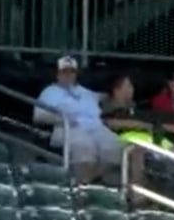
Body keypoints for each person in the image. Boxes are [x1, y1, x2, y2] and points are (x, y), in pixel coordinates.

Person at [34, 56, 127, 184]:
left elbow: (104, 101)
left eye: (71, 72)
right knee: (85, 146)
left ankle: (87, 181)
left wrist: (118, 96)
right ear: (57, 74)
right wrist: (64, 120)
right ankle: (82, 187)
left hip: (95, 128)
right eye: (64, 72)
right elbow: (38, 117)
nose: (68, 75)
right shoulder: (50, 92)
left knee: (115, 146)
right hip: (68, 128)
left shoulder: (84, 92)